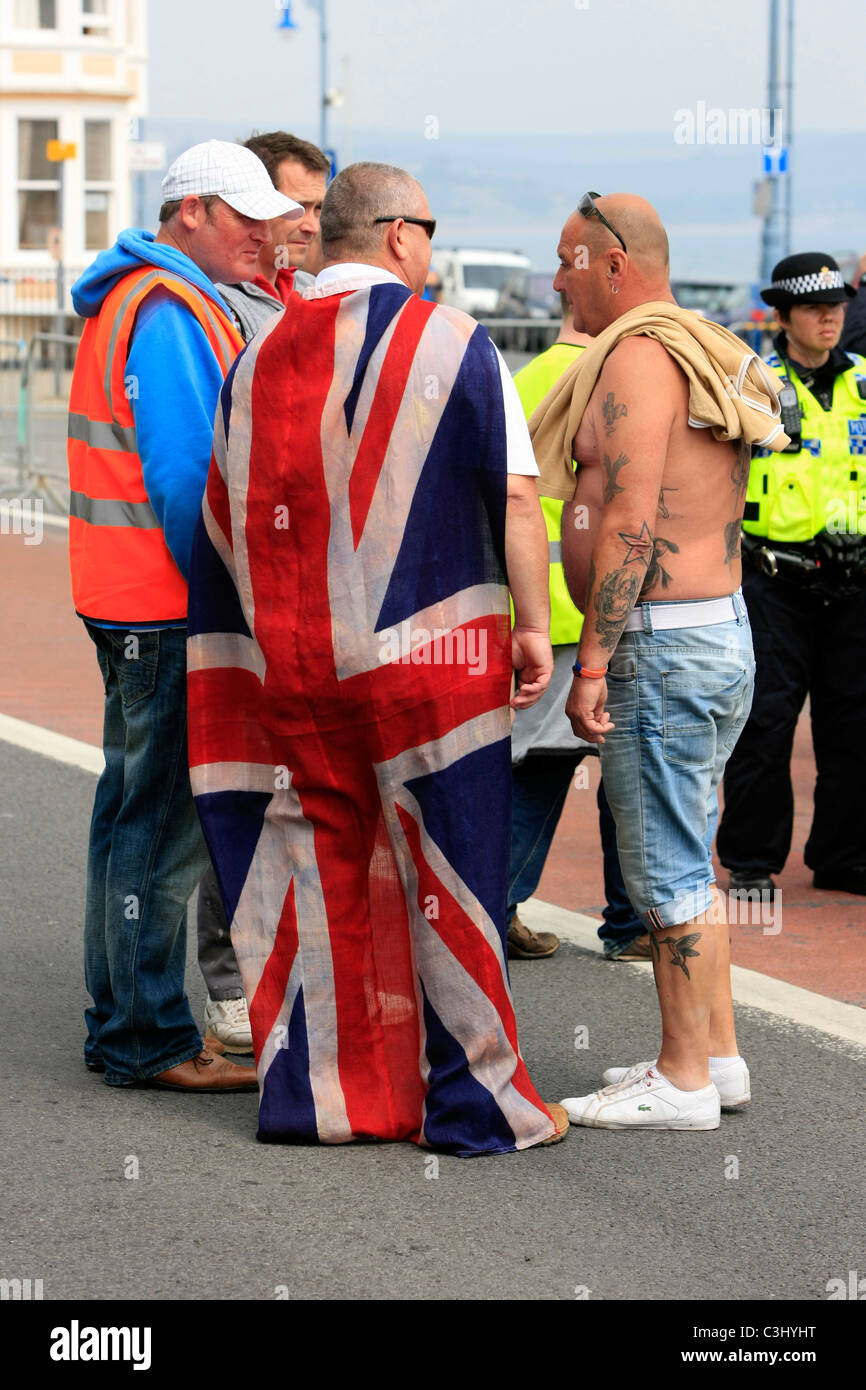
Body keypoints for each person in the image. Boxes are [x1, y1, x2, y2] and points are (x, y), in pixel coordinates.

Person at [186, 161, 568, 1154]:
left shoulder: (258, 354)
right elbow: (517, 497)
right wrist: (533, 625)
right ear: (399, 235)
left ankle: (325, 1096)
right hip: (424, 654)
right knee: (449, 871)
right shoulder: (449, 340)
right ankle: (471, 1103)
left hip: (291, 662)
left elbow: (224, 512)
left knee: (318, 862)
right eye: (431, 227)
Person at [531, 192, 787, 1130]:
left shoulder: (639, 358)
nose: (556, 281)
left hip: (663, 647)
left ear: (614, 262)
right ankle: (715, 1060)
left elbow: (632, 522)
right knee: (691, 856)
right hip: (715, 633)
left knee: (662, 871)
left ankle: (680, 1082)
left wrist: (591, 659)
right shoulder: (697, 344)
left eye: (567, 260)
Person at [67, 140, 301, 1091]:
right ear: (190, 213)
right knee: (159, 833)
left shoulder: (139, 297)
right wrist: (235, 596)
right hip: (165, 606)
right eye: (243, 217)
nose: (262, 235)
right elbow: (184, 479)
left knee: (131, 819)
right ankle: (147, 1038)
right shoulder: (168, 310)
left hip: (126, 597)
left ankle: (129, 1022)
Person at [201, 131, 329, 1052]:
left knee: (289, 781)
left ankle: (282, 965)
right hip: (232, 587)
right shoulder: (221, 308)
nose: (306, 224)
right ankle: (223, 982)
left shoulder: (299, 301)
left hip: (300, 586)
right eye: (292, 206)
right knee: (229, 782)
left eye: (320, 209)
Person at [717, 253, 866, 897]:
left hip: (856, 584)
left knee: (854, 726)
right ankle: (752, 859)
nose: (829, 317)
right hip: (774, 581)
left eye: (837, 305)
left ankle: (844, 855)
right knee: (765, 723)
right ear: (782, 316)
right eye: (814, 307)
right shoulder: (753, 384)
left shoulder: (864, 380)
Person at [507, 291, 648, 961]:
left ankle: (623, 920)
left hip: (542, 606)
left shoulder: (524, 376)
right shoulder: (615, 378)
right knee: (582, 767)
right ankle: (623, 922)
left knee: (548, 765)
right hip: (589, 611)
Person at [216, 131, 330, 340]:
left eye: (318, 208)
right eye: (297, 207)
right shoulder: (217, 298)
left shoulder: (316, 288)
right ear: (259, 203)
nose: (312, 226)